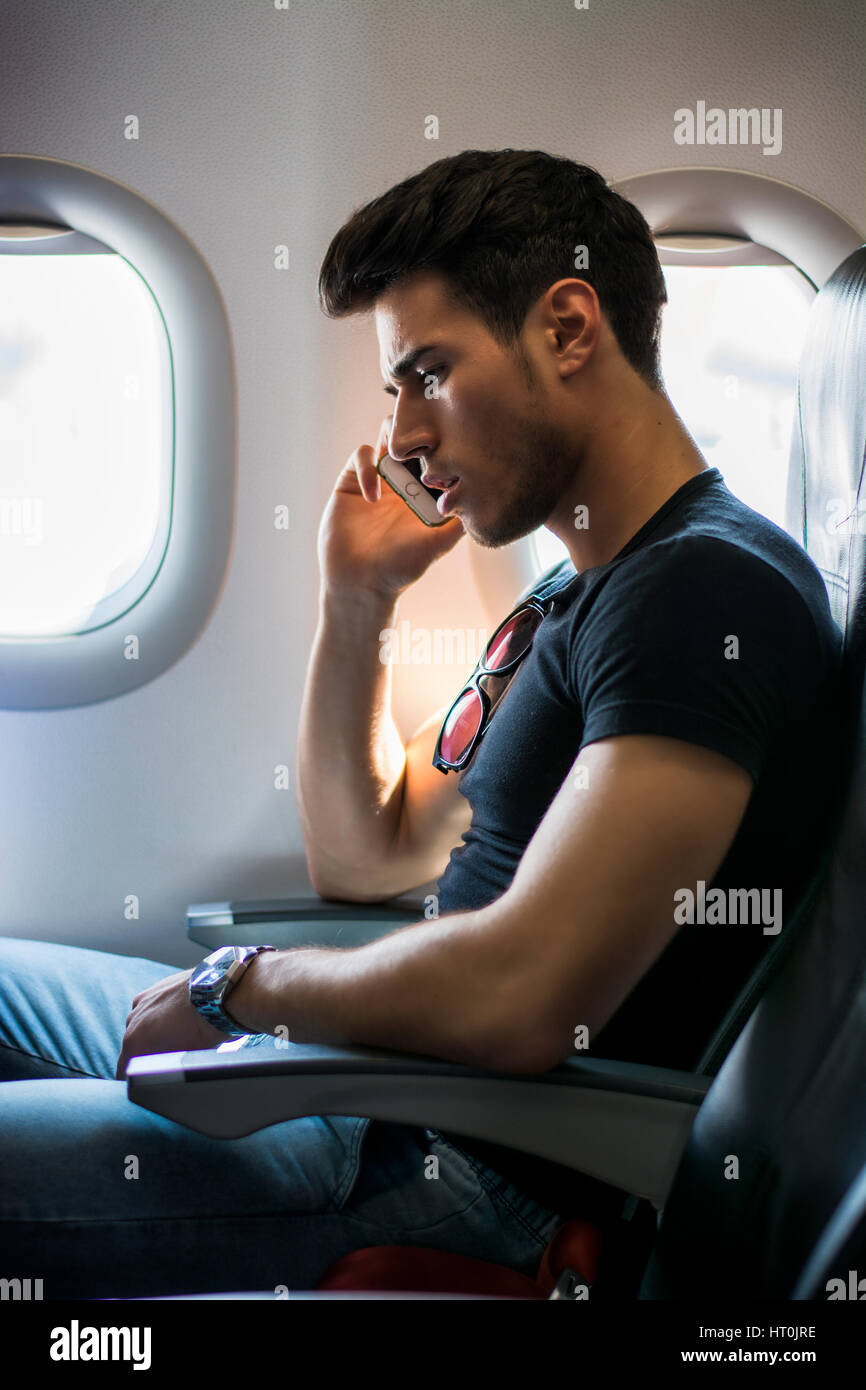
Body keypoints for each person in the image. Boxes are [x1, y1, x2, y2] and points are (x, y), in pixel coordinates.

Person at [0, 150, 843, 1299]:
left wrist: (236, 988)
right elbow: (367, 855)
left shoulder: (702, 598)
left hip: (453, 1146)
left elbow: (525, 994)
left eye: (427, 374)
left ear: (566, 327)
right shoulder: (577, 586)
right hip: (370, 1071)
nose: (402, 433)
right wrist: (356, 604)